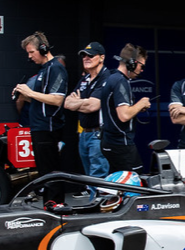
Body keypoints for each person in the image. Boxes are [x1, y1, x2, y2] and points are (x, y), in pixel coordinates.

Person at [13, 33, 68, 176]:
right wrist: (23, 95)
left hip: (48, 127)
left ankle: (54, 193)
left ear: (43, 49)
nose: (30, 56)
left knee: (50, 171)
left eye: (32, 52)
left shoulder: (56, 68)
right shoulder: (44, 69)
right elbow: (42, 100)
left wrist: (30, 92)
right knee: (43, 171)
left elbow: (57, 99)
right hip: (38, 126)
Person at [92, 44, 152, 172]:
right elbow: (124, 115)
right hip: (120, 143)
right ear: (132, 63)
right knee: (135, 179)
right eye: (142, 66)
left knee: (117, 180)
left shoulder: (112, 78)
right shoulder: (120, 81)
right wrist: (141, 103)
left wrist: (135, 108)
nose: (142, 70)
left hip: (110, 141)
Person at [62, 41, 113, 176]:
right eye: (84, 56)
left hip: (99, 134)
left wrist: (78, 102)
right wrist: (83, 103)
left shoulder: (106, 77)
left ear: (101, 57)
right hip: (84, 134)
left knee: (98, 176)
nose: (86, 58)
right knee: (89, 177)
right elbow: (67, 102)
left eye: (90, 55)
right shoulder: (85, 79)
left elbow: (93, 106)